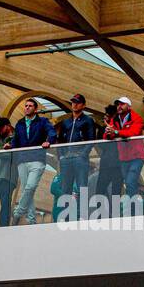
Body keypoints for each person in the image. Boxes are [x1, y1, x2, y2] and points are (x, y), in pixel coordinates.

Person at [53, 93, 98, 221]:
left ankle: (83, 215)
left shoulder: (88, 120)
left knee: (82, 186)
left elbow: (91, 139)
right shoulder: (66, 122)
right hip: (66, 159)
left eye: (77, 102)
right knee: (66, 188)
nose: (74, 104)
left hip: (80, 159)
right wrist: (61, 156)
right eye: (73, 102)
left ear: (83, 105)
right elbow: (60, 141)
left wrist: (83, 155)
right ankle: (66, 215)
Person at [10, 98, 54, 224]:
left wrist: (49, 141)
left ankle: (18, 212)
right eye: (26, 106)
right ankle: (31, 220)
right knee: (26, 190)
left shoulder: (43, 121)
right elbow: (15, 141)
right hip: (22, 160)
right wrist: (10, 147)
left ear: (35, 109)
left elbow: (52, 132)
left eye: (30, 106)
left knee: (30, 187)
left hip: (37, 159)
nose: (27, 108)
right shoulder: (20, 123)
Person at [107, 96, 144, 210]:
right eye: (118, 104)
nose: (119, 106)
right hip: (124, 158)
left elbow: (134, 132)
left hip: (137, 156)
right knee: (129, 183)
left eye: (122, 104)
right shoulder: (115, 119)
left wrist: (116, 131)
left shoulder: (137, 118)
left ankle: (133, 208)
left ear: (129, 106)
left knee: (130, 181)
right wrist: (108, 133)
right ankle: (136, 204)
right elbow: (108, 136)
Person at [92, 103, 123, 205]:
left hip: (118, 164)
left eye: (108, 115)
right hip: (106, 163)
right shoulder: (103, 129)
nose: (105, 117)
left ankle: (114, 217)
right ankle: (101, 216)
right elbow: (100, 144)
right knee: (100, 191)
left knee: (116, 192)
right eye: (105, 114)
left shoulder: (120, 127)